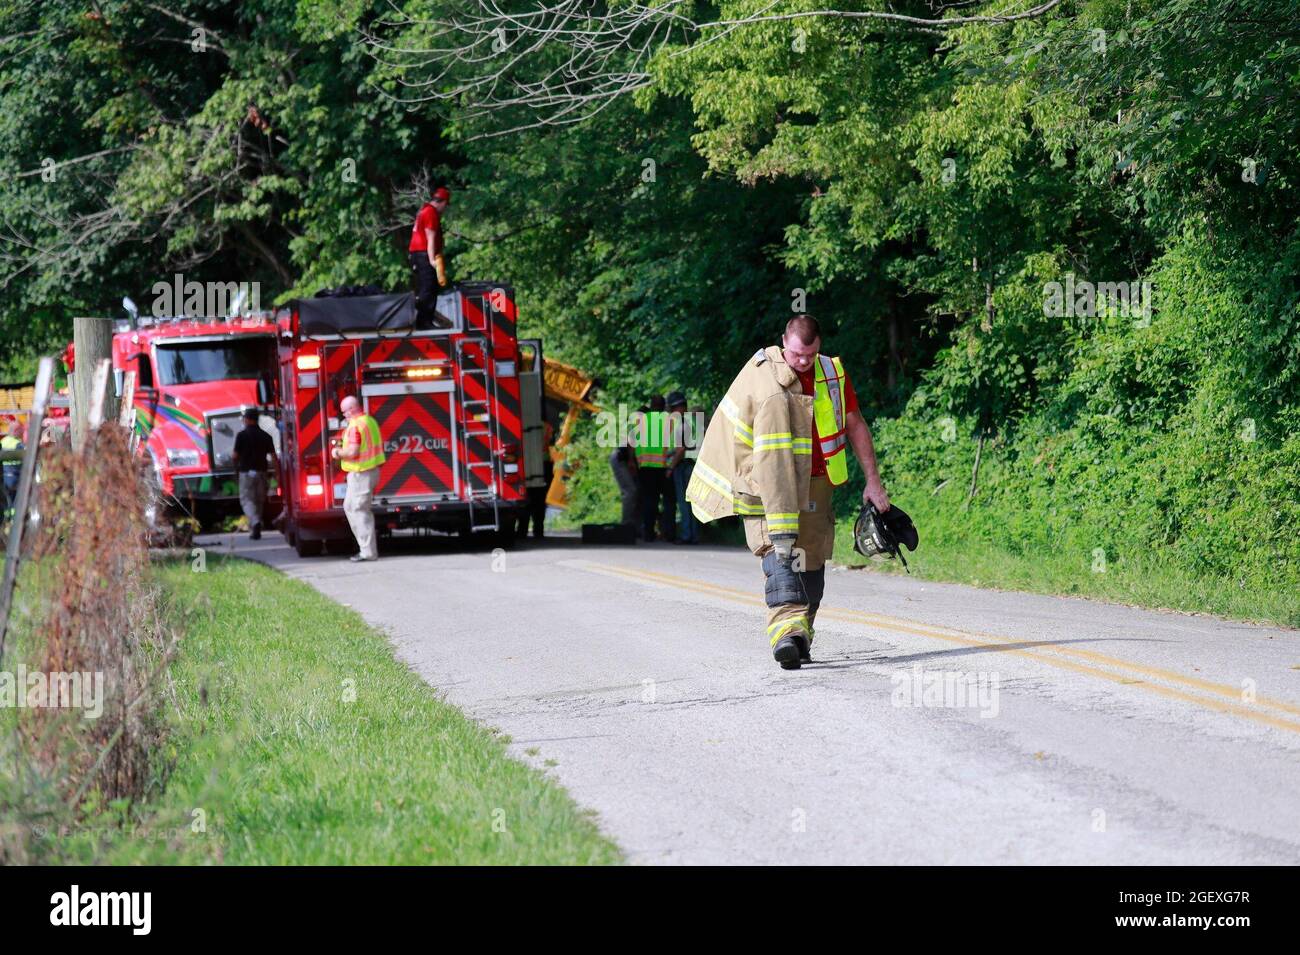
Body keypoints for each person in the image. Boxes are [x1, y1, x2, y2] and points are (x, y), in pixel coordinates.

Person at [686, 314, 890, 670]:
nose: (802, 363)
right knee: (781, 552)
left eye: (809, 356)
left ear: (819, 348)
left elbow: (854, 423)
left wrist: (873, 481)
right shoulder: (767, 384)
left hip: (814, 482)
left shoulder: (830, 373)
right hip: (762, 484)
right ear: (784, 342)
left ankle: (800, 635)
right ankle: (785, 636)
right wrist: (781, 527)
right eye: (796, 355)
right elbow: (773, 460)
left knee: (811, 560)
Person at [332, 395, 387, 562]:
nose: (344, 415)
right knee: (350, 506)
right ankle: (364, 548)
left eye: (345, 412)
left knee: (359, 510)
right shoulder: (370, 421)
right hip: (367, 472)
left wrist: (337, 453)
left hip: (361, 473)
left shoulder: (355, 426)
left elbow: (352, 452)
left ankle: (368, 552)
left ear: (351, 409)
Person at [630, 395, 675, 542]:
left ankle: (648, 533)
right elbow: (674, 444)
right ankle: (669, 533)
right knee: (669, 501)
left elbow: (632, 444)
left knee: (649, 500)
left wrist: (633, 463)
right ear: (664, 406)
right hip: (664, 467)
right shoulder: (669, 420)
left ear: (650, 405)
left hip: (644, 467)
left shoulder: (640, 419)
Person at [231, 407, 276, 540]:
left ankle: (255, 522)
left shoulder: (241, 435)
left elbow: (234, 455)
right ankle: (255, 530)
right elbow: (274, 457)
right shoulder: (266, 436)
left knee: (247, 500)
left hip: (246, 473)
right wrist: (276, 474)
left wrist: (235, 467)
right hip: (262, 472)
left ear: (247, 420)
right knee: (259, 500)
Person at [409, 186, 451, 322]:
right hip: (424, 255)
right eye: (446, 205)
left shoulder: (424, 210)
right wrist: (433, 260)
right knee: (429, 288)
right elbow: (430, 238)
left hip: (418, 254)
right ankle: (424, 322)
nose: (445, 210)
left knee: (426, 288)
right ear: (443, 202)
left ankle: (424, 320)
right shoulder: (431, 213)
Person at [666, 391, 700, 545]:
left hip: (683, 466)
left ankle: (687, 535)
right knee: (693, 502)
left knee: (684, 502)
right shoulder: (693, 422)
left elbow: (681, 450)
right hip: (695, 465)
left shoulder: (681, 425)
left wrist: (670, 467)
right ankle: (694, 535)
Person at [517, 420, 555, 539]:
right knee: (539, 501)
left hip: (525, 465)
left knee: (525, 499)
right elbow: (551, 443)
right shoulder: (547, 426)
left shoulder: (518, 422)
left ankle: (522, 531)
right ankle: (538, 531)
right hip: (543, 465)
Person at [609, 444, 638, 527]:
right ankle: (626, 526)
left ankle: (637, 527)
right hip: (622, 458)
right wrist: (630, 460)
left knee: (639, 492)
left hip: (631, 459)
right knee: (630, 491)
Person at [1, 417, 23, 522]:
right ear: (16, 431)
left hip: (5, 477)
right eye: (21, 430)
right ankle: (14, 521)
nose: (22, 433)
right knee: (16, 501)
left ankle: (5, 520)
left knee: (6, 501)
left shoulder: (3, 441)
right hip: (16, 477)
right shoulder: (18, 444)